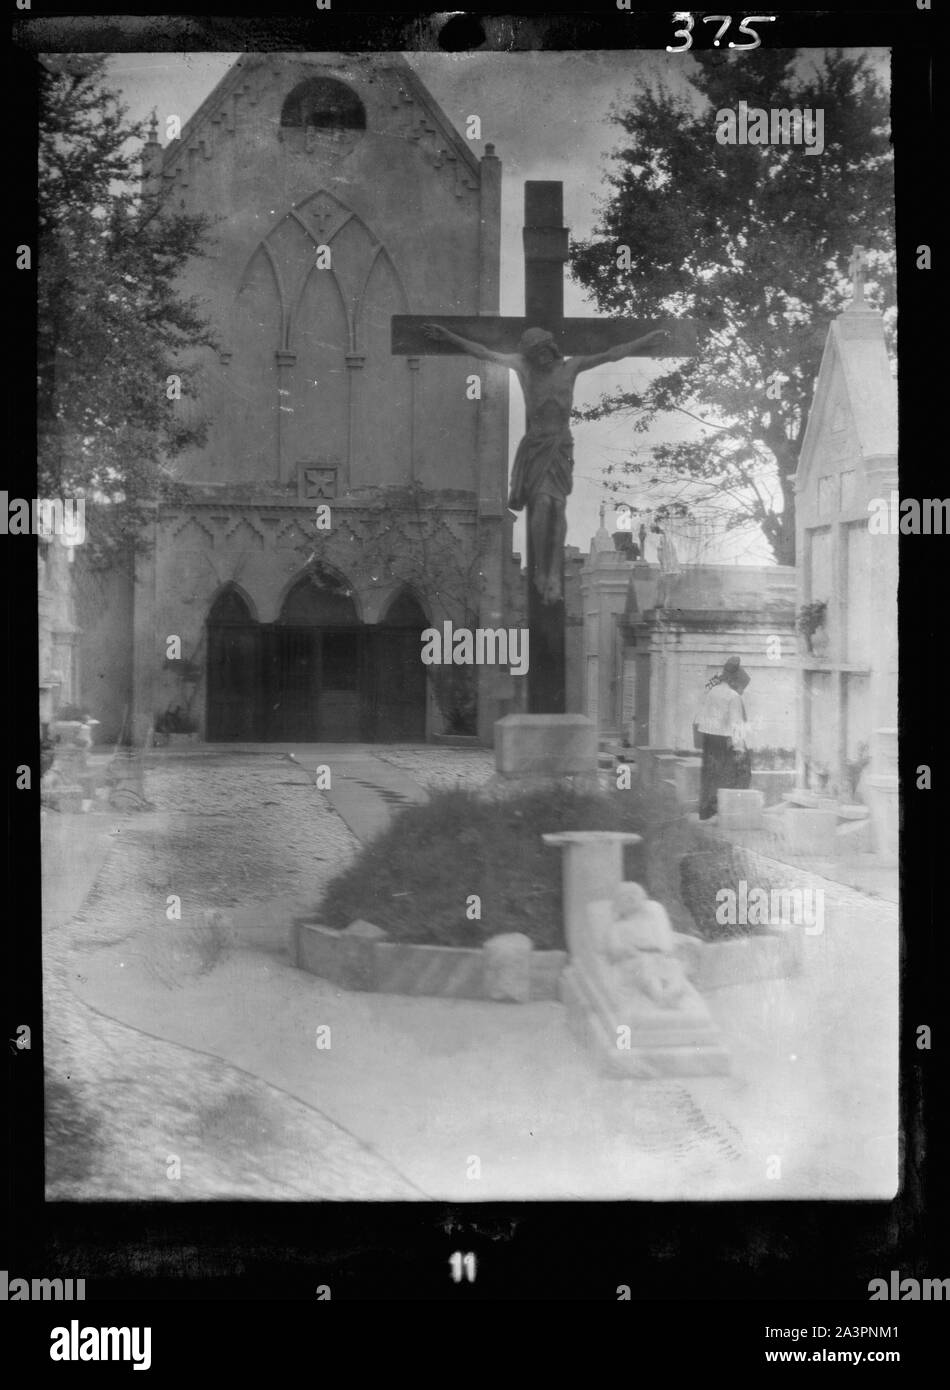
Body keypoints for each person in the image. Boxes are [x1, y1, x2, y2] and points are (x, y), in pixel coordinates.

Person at [423, 322, 669, 604]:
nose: (538, 358)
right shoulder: (524, 369)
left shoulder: (571, 368)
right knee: (542, 505)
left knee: (559, 505)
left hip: (561, 445)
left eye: (540, 352)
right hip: (537, 446)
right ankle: (542, 571)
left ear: (549, 349)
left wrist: (645, 340)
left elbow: (612, 354)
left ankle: (554, 574)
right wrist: (449, 335)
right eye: (532, 354)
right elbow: (483, 352)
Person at [694, 656, 752, 820]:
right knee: (737, 773)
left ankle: (707, 811)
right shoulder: (733, 697)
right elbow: (736, 725)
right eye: (742, 687)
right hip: (725, 741)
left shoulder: (713, 690)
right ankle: (732, 812)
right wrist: (740, 749)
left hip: (709, 739)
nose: (742, 691)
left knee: (710, 775)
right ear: (735, 682)